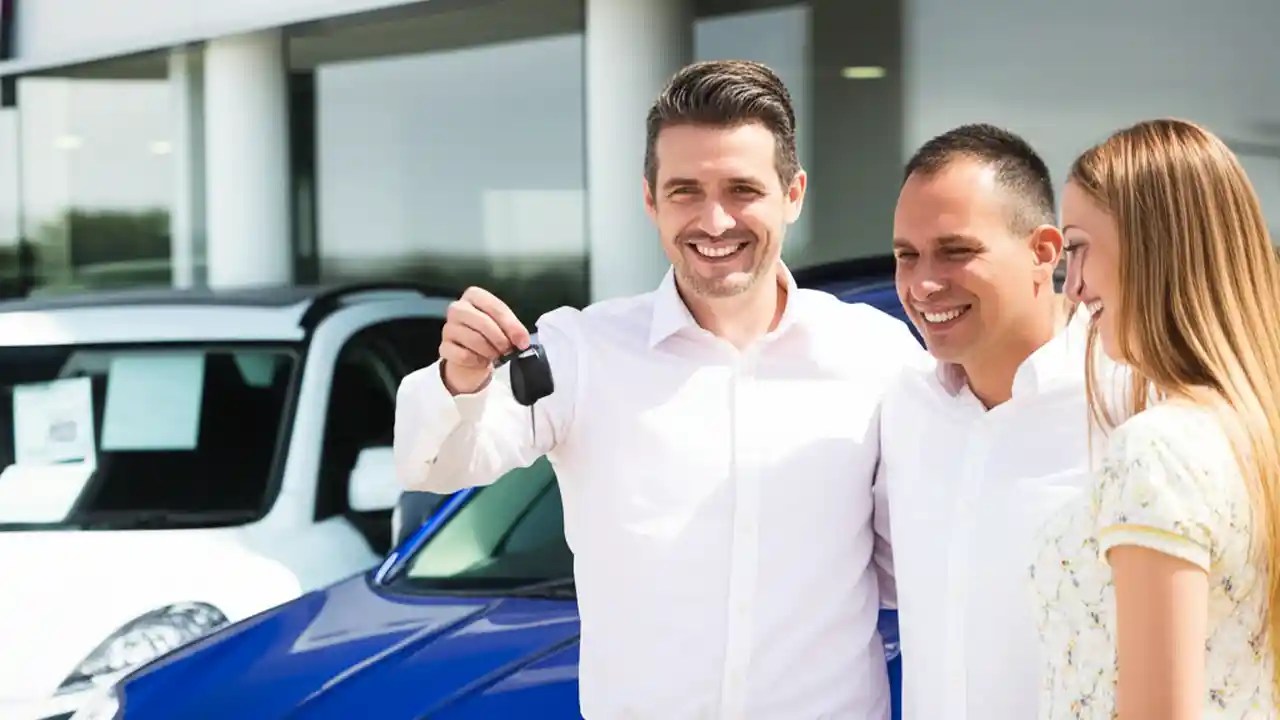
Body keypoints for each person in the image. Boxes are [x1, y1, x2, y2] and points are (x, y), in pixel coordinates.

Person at [393, 59, 926, 719]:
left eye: (742, 189)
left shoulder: (878, 357)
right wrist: (458, 378)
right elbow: (435, 464)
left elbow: (924, 561)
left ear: (793, 194)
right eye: (685, 191)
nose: (715, 220)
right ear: (650, 200)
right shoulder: (581, 353)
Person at [1031, 118, 1280, 718]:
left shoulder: (1157, 448)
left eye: (1079, 247)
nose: (1074, 288)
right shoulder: (1252, 436)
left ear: (1153, 247)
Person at [876, 123, 1099, 720]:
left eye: (956, 251)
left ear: (1044, 252)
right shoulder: (901, 408)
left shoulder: (1128, 404)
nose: (923, 284)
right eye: (907, 256)